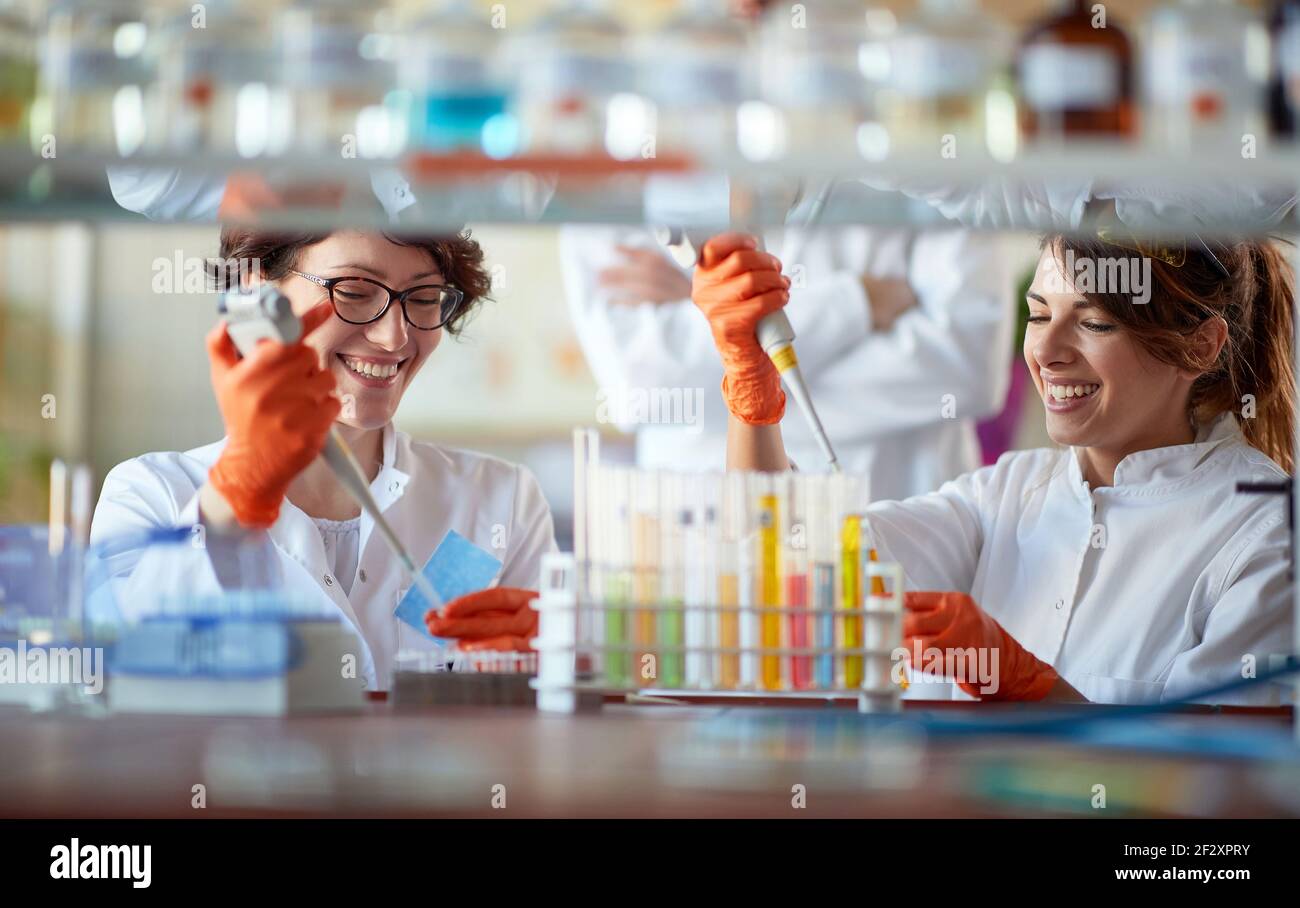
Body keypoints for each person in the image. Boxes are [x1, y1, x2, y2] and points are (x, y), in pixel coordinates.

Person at [693, 231, 1295, 705]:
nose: (1047, 351)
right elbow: (787, 562)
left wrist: (1028, 686)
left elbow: (1219, 793)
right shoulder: (1006, 492)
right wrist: (753, 392)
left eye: (1092, 322)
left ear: (1200, 346)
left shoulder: (1267, 533)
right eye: (1038, 315)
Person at [89, 228, 555, 691]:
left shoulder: (502, 500)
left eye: (424, 297)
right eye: (353, 291)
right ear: (256, 294)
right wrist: (234, 499)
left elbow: (547, 727)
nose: (394, 337)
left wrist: (556, 662)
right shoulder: (153, 494)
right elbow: (117, 690)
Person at [560, 211, 1016, 499]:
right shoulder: (632, 140)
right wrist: (856, 302)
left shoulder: (930, 141)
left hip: (900, 527)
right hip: (702, 545)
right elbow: (642, 391)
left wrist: (710, 314)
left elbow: (968, 369)